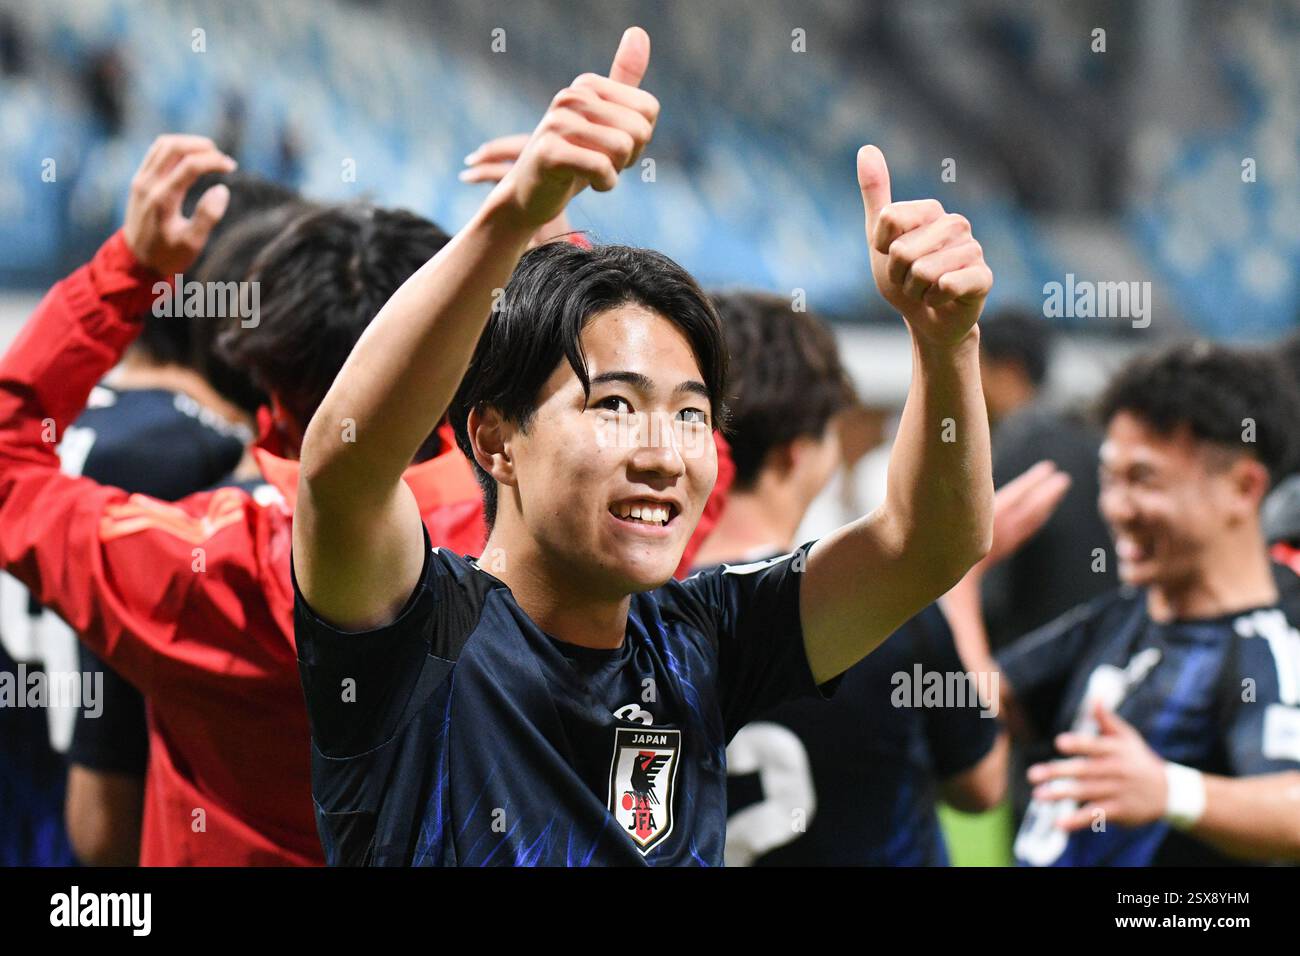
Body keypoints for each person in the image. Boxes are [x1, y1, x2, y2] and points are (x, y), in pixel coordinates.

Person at [293, 26, 995, 866]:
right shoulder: (414, 639)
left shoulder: (703, 639)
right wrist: (513, 215)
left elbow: (927, 544)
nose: (665, 453)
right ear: (493, 439)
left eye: (691, 414)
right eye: (616, 405)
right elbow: (344, 467)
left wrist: (945, 341)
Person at [0, 131, 732, 866]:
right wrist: (560, 281)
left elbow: (8, 474)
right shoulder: (567, 533)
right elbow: (682, 455)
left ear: (272, 398)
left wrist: (129, 270)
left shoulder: (206, 560)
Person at [693, 291, 1006, 866]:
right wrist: (959, 597)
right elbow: (982, 783)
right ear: (797, 453)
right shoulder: (879, 606)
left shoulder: (636, 614)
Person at [961, 342, 1300, 865]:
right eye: (1109, 478)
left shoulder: (1267, 644)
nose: (1116, 508)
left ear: (1244, 487)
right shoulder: (1123, 615)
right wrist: (963, 577)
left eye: (1143, 479)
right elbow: (983, 703)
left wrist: (1170, 791)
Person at [978, 309, 1115, 651]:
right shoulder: (1093, 442)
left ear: (1008, 370)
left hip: (1027, 663)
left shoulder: (1015, 449)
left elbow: (991, 594)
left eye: (973, 365)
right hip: (1095, 652)